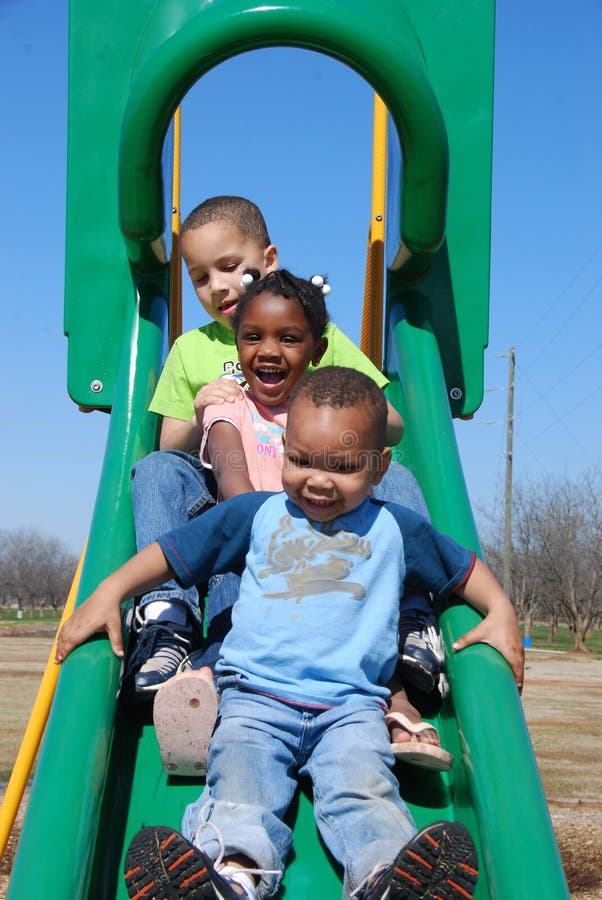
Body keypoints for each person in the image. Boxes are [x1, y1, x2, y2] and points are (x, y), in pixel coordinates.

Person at [56, 366, 524, 900]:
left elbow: (462, 568)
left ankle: (386, 880)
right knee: (240, 789)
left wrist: (500, 608)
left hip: (350, 709)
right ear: (284, 447)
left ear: (379, 466)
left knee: (366, 794)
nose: (317, 480)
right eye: (300, 460)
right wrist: (109, 591)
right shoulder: (258, 514)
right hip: (254, 701)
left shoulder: (396, 527)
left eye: (343, 467)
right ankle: (231, 879)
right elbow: (172, 553)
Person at [125, 195, 440, 697]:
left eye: (231, 267)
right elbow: (171, 444)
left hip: (317, 490)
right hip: (227, 499)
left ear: (268, 260)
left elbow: (394, 426)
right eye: (201, 277)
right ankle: (169, 618)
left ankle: (412, 615)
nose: (218, 286)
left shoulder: (318, 335)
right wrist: (202, 404)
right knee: (158, 469)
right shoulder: (191, 349)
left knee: (396, 473)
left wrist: (330, 407)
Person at [155, 270, 450, 770]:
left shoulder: (326, 416)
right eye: (253, 337)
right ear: (237, 343)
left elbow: (389, 434)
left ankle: (409, 637)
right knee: (239, 593)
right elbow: (236, 493)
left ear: (316, 351)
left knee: (361, 589)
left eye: (288, 339)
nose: (269, 350)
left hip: (336, 554)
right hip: (262, 548)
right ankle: (204, 682)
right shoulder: (230, 409)